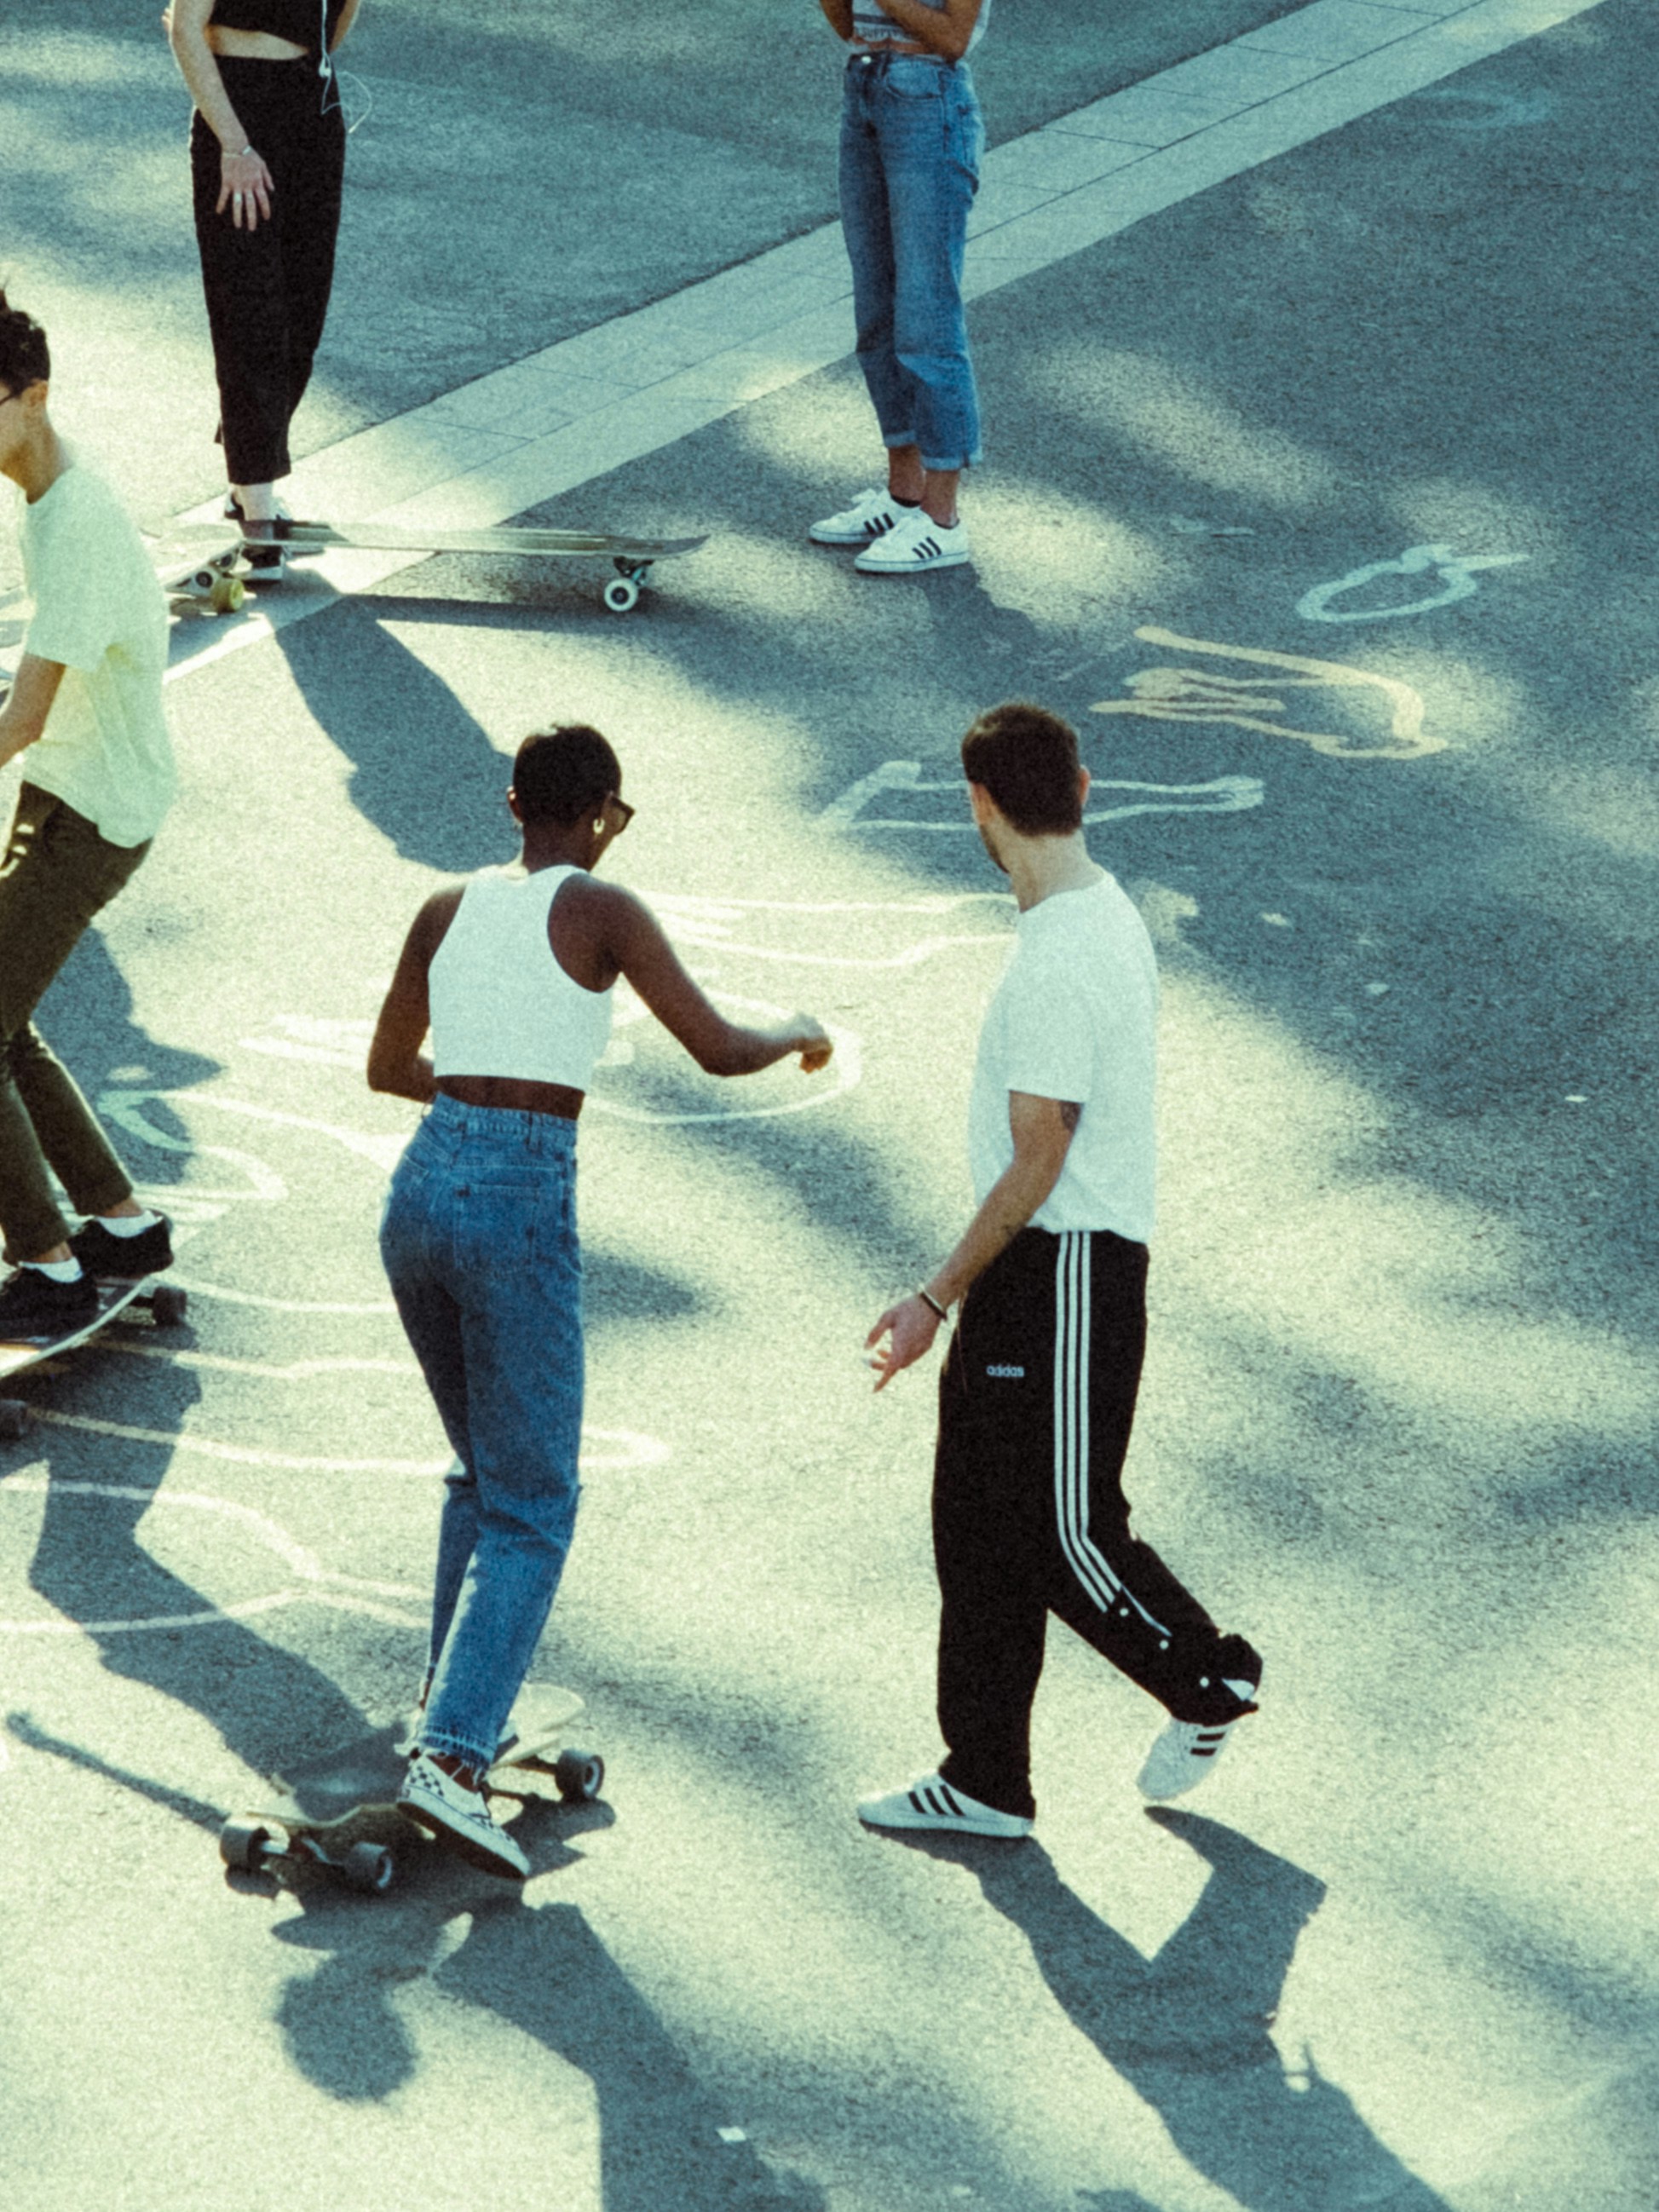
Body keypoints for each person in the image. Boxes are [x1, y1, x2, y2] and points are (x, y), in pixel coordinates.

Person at [367, 724, 833, 1879]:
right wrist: (802, 1031)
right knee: (535, 1502)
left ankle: (455, 1705)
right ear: (603, 814)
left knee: (483, 1473)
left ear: (509, 802)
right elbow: (722, 1049)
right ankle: (451, 1757)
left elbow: (386, 1068)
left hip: (421, 1187)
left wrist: (477, 1095)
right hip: (518, 1196)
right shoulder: (601, 909)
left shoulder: (446, 905)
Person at [859, 703, 1262, 1840]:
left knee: (1059, 1525)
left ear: (978, 806)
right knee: (973, 1525)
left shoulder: (1056, 962)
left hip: (1065, 1268)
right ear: (1080, 788)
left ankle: (1206, 1675)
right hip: (1035, 1272)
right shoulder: (1096, 912)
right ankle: (983, 1778)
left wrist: (933, 1296)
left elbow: (1041, 1159)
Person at [0, 293, 176, 1337]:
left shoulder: (76, 524)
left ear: (34, 398)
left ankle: (48, 1266)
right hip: (80, 793)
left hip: (91, 809)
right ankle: (121, 1226)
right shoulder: (48, 493)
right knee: (6, 1021)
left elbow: (26, 712)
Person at [166, 1, 362, 577]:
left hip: (312, 107)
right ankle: (258, 506)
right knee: (249, 309)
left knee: (304, 314)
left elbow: (343, 13)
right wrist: (233, 144)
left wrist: (307, 63)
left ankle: (246, 467)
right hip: (237, 107)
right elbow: (183, 28)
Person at [811, 0, 987, 575]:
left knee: (926, 316)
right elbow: (848, 25)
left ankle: (942, 521)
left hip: (927, 100)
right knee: (877, 313)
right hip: (864, 88)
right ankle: (901, 493)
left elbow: (953, 37)